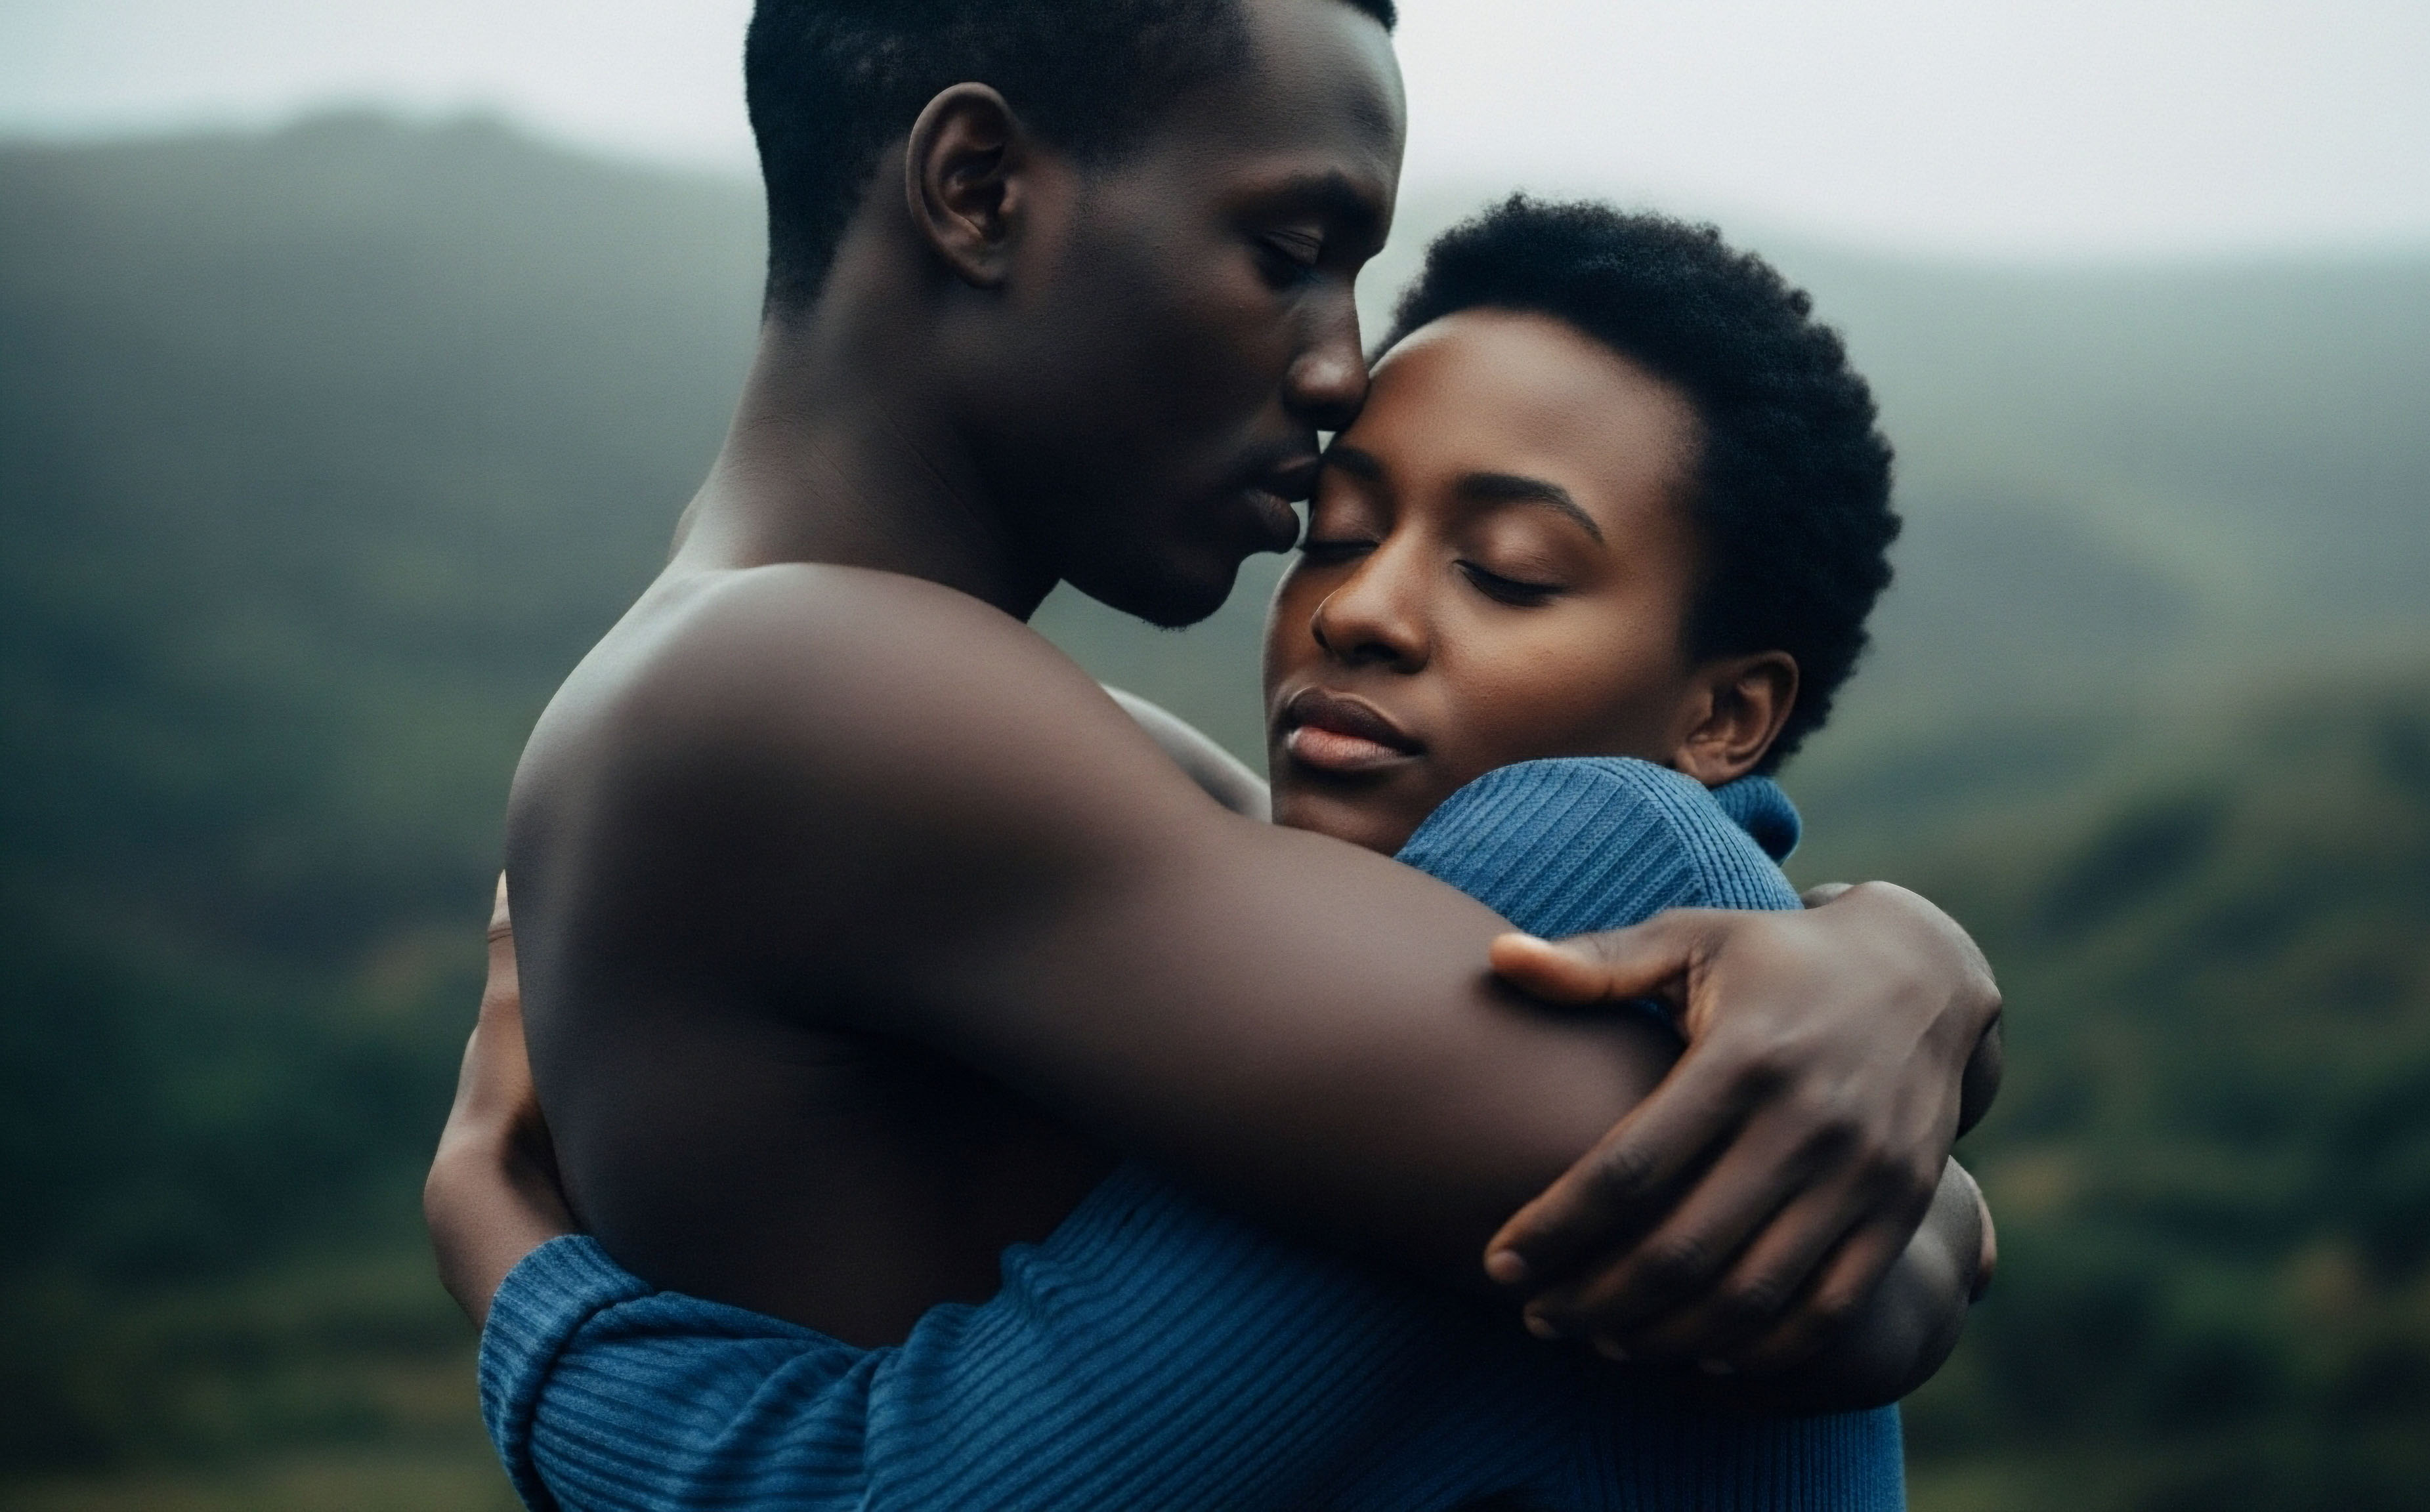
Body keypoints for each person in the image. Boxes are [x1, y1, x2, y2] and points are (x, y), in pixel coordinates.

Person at [429, 0, 2001, 1501]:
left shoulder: (1076, 765)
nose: (1336, 368)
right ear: (980, 190)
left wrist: (1895, 959)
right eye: (1288, 255)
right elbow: (1861, 1270)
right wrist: (1867, 981)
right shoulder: (798, 682)